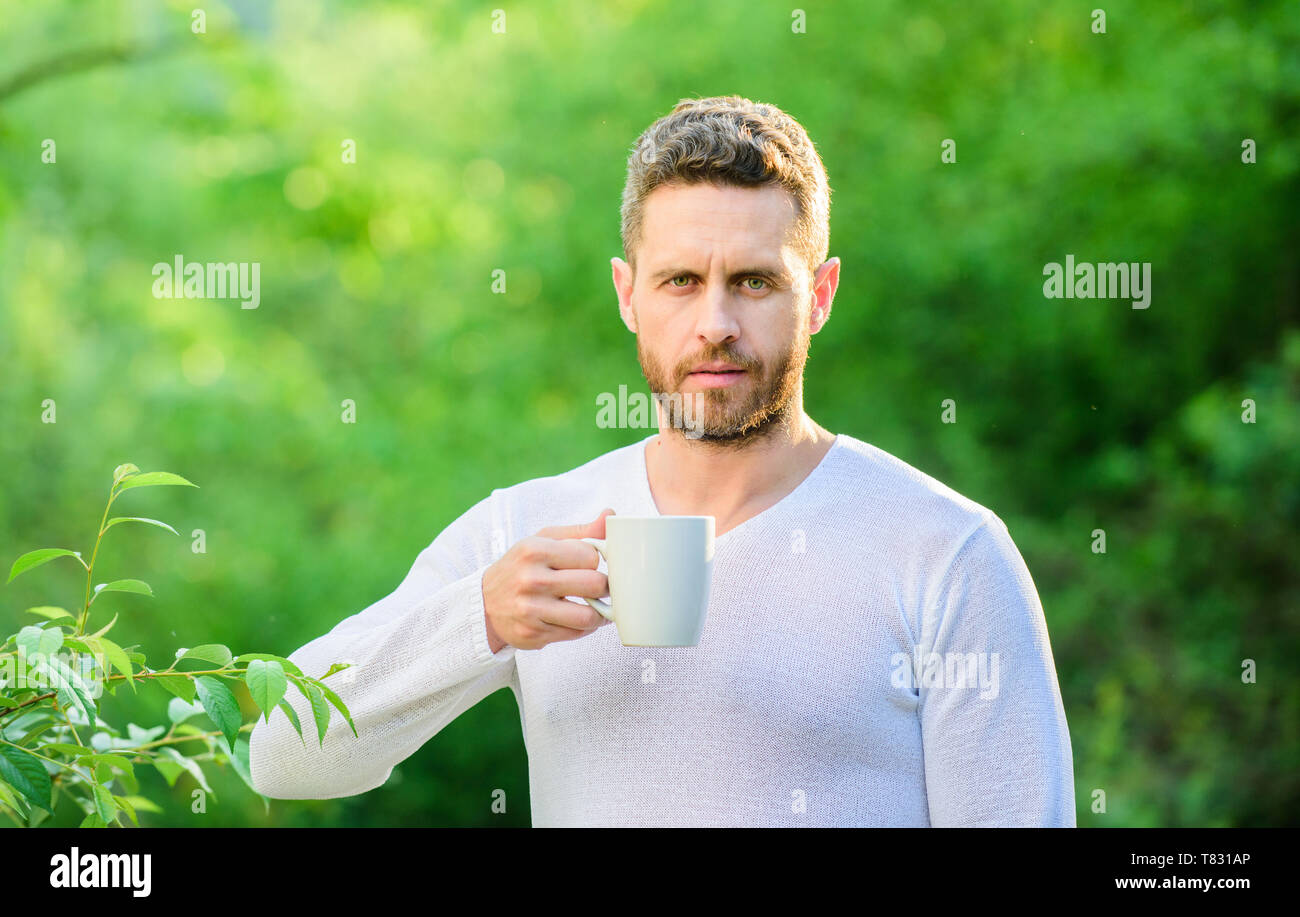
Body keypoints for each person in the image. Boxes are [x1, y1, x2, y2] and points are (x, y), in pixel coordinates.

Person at [248, 95, 1076, 826]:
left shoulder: (945, 551)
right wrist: (481, 620)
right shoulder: (525, 535)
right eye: (680, 280)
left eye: (753, 282)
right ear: (627, 293)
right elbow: (283, 754)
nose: (714, 322)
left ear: (818, 297)